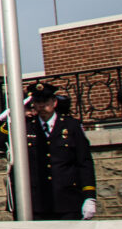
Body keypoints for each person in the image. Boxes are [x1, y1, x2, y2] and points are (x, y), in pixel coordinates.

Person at [22, 83, 98, 220]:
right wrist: (8, 116)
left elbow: (84, 162)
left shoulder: (71, 126)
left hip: (68, 201)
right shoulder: (26, 127)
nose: (42, 105)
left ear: (54, 102)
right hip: (38, 203)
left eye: (46, 101)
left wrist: (89, 197)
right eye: (38, 101)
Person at [0, 96, 36, 215]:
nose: (31, 112)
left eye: (33, 108)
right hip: (22, 189)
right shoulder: (15, 127)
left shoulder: (37, 126)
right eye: (27, 108)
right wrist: (0, 119)